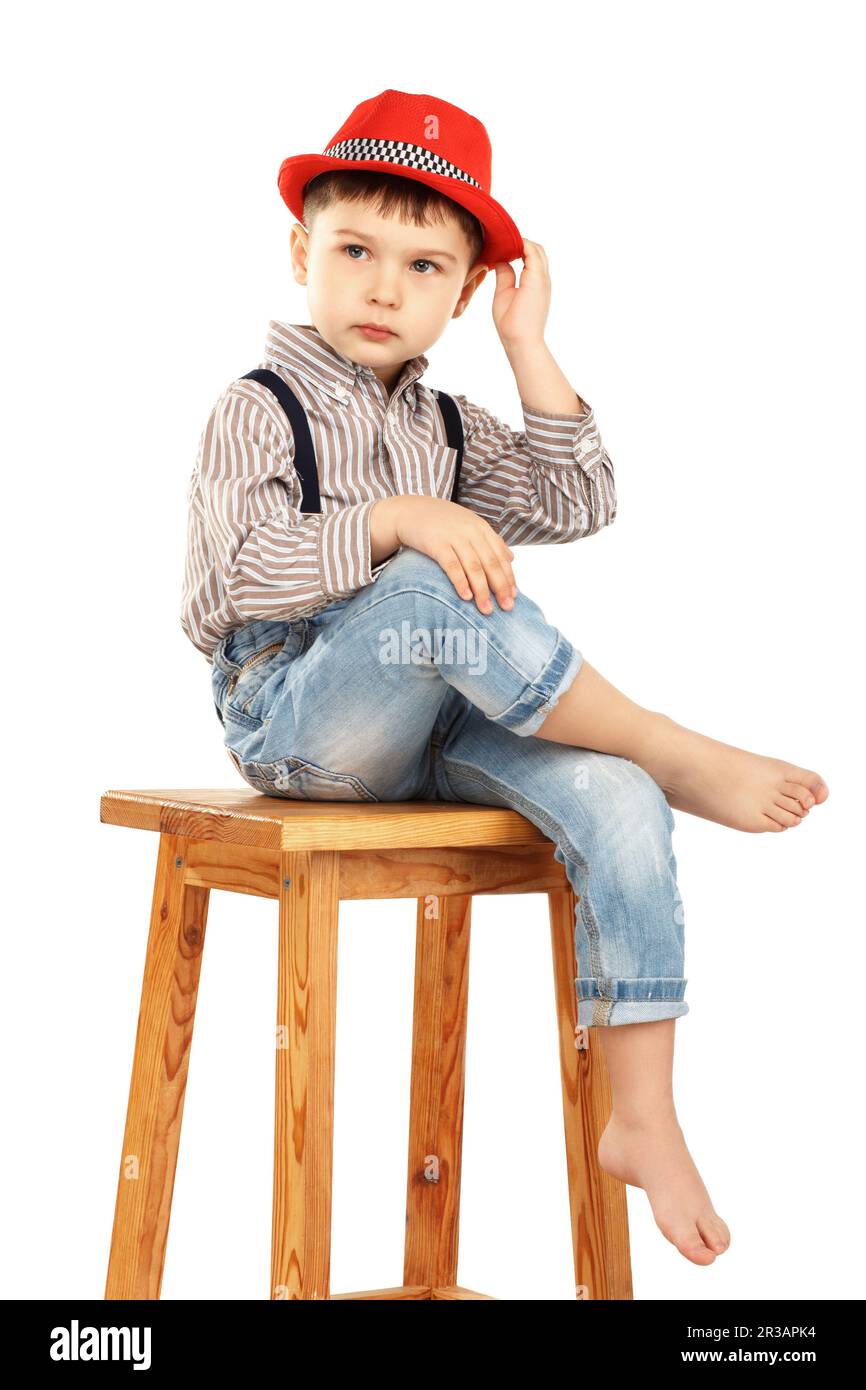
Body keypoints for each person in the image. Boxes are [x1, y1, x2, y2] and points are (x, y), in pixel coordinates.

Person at [180, 89, 828, 1267]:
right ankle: (667, 743)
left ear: (464, 289)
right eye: (356, 251)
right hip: (294, 719)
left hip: (425, 735)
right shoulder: (256, 408)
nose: (384, 287)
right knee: (432, 585)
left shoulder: (445, 420)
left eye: (425, 266)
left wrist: (528, 350)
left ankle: (642, 1111)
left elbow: (579, 501)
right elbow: (228, 577)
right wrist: (395, 519)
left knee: (611, 797)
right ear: (300, 253)